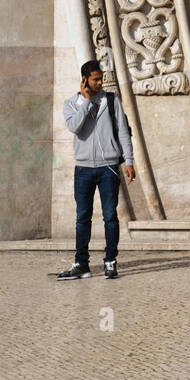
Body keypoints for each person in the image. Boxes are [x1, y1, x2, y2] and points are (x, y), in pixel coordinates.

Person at [57, 60, 136, 280]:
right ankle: (81, 264)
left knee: (110, 216)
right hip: (83, 169)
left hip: (108, 167)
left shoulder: (111, 101)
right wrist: (85, 101)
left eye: (101, 78)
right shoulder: (71, 103)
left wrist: (128, 161)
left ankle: (110, 261)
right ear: (84, 80)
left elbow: (123, 132)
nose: (100, 82)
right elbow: (75, 127)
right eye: (95, 79)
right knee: (83, 217)